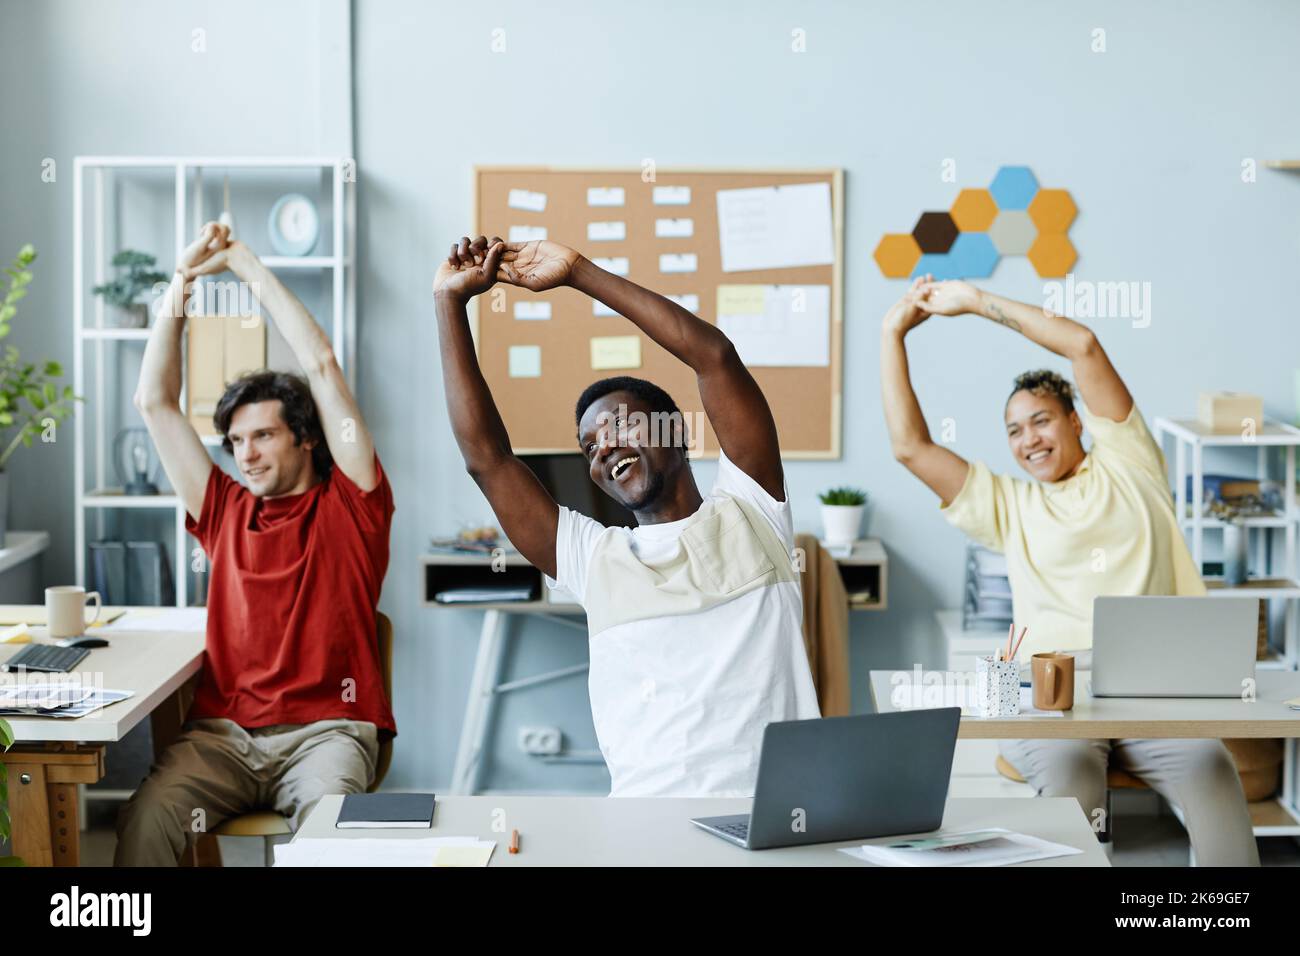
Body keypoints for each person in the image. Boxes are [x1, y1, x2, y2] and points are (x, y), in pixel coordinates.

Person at [880, 275, 1258, 866]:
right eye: (1014, 429)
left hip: (1153, 695)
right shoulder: (1010, 505)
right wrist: (892, 333)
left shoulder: (1131, 464)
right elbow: (910, 447)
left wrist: (976, 303)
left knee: (1213, 768)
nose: (1028, 438)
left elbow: (1081, 343)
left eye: (1042, 420)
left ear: (1078, 421)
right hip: (1057, 701)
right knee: (1072, 783)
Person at [433, 235, 819, 797]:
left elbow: (713, 356)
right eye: (589, 446)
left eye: (621, 426)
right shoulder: (593, 558)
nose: (605, 448)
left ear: (678, 434)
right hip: (647, 827)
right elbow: (487, 460)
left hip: (777, 811)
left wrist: (579, 273)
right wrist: (448, 302)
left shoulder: (753, 509)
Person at [116, 223, 395, 865]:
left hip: (327, 734)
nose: (246, 454)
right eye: (236, 442)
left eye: (263, 436)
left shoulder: (353, 503)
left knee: (332, 846)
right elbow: (153, 400)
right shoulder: (223, 508)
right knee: (148, 823)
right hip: (222, 739)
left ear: (306, 438)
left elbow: (321, 365)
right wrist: (182, 282)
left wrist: (243, 263)